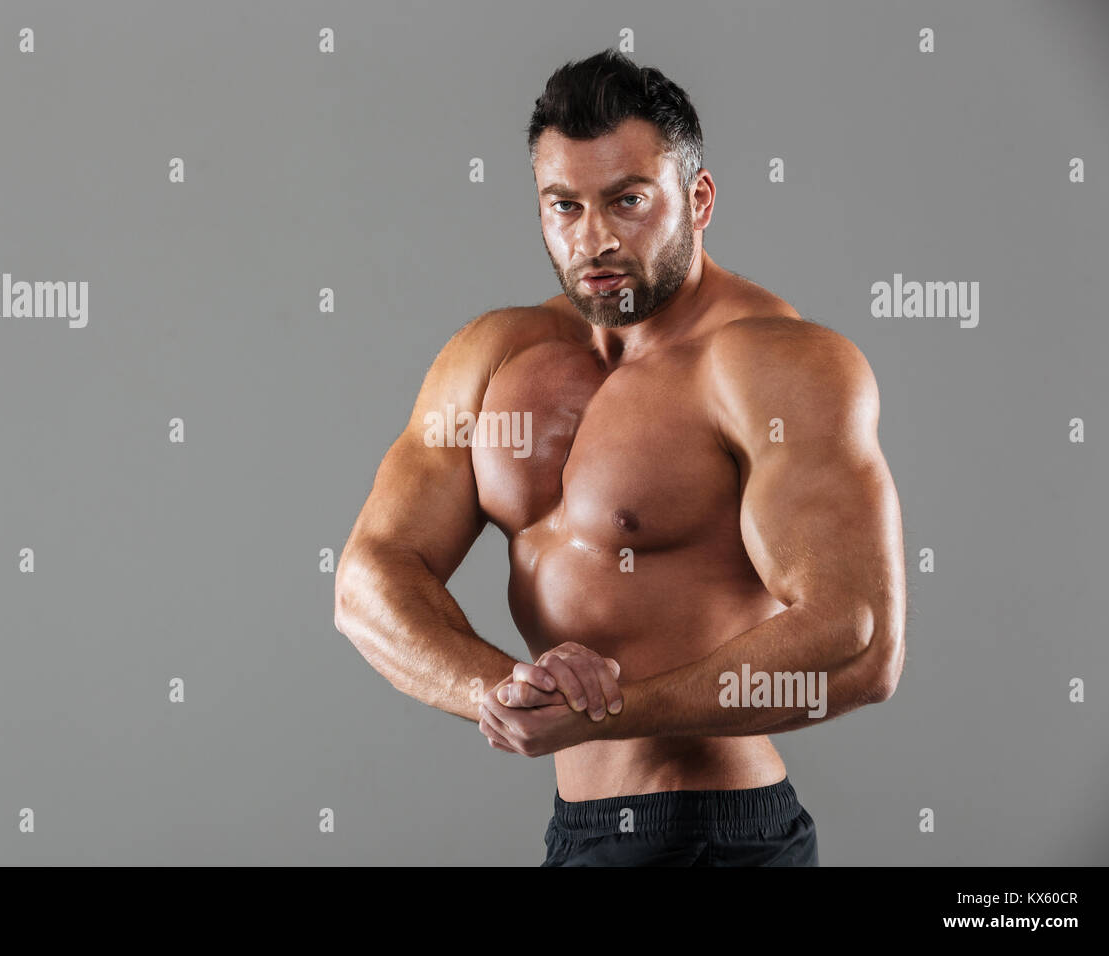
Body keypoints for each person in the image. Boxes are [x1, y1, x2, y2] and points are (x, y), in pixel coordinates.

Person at [335, 50, 906, 866]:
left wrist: (611, 710)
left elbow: (860, 643)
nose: (594, 238)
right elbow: (369, 579)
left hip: (713, 835)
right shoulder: (495, 354)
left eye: (628, 201)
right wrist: (501, 691)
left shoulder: (772, 364)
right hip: (577, 830)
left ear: (698, 199)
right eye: (564, 207)